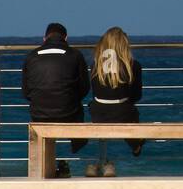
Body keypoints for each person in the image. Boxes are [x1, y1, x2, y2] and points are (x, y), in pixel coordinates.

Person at [21, 22, 89, 178]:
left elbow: (26, 92)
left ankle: (46, 168)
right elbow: (84, 87)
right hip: (69, 113)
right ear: (66, 38)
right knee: (78, 110)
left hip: (39, 114)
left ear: (44, 38)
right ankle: (77, 143)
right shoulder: (75, 55)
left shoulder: (31, 56)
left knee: (44, 111)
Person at [85, 26, 144, 177]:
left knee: (100, 106)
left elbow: (94, 92)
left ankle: (102, 162)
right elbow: (137, 95)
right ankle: (135, 144)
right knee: (129, 111)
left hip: (98, 114)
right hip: (123, 114)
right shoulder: (133, 65)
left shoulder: (96, 65)